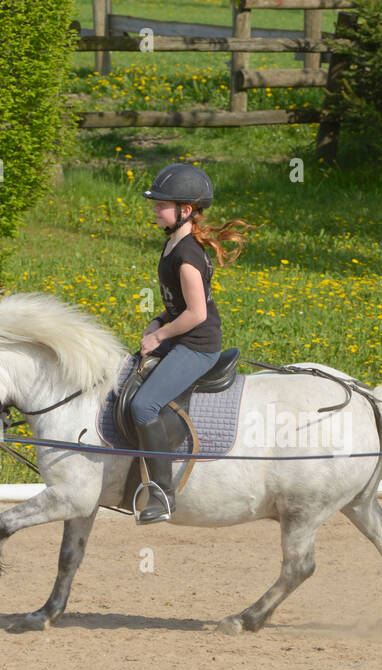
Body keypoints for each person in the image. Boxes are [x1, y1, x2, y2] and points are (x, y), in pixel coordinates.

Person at [133, 163, 250, 523]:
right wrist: (159, 319)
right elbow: (178, 305)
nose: (154, 208)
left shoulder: (186, 256)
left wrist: (160, 334)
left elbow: (197, 313)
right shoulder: (174, 242)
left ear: (185, 210)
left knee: (143, 407)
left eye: (161, 203)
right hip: (180, 334)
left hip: (197, 345)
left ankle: (162, 494)